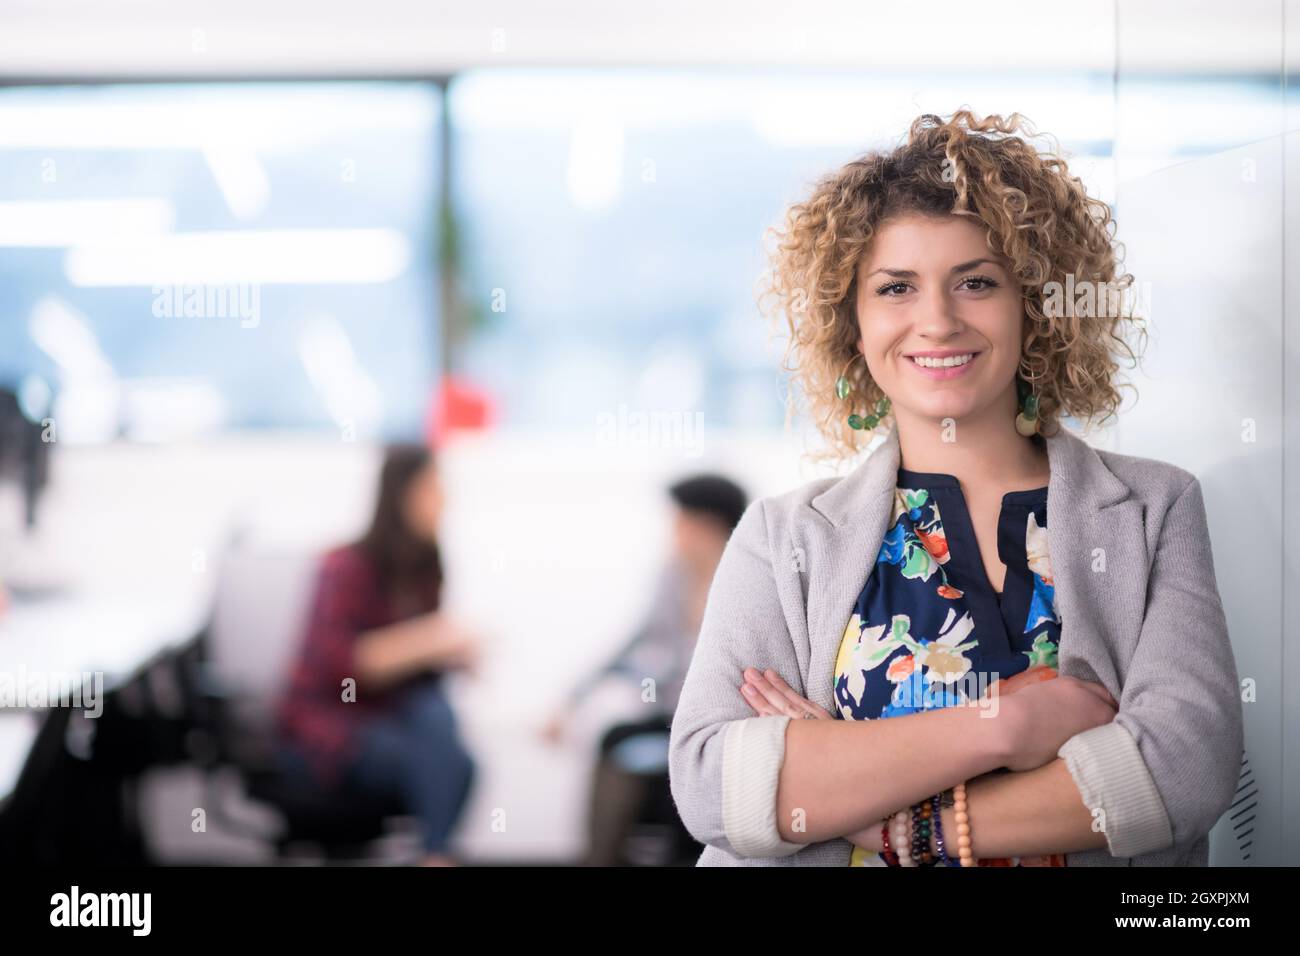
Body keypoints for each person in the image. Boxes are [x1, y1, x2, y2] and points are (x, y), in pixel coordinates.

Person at [668, 110, 1244, 867]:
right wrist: (1001, 724)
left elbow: (1179, 773)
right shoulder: (783, 538)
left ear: (1034, 306)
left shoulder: (1154, 511)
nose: (936, 321)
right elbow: (717, 787)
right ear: (854, 321)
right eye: (896, 287)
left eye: (976, 282)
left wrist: (877, 805)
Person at [274, 442, 482, 866]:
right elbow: (344, 666)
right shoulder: (346, 565)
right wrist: (431, 640)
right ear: (403, 494)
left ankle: (434, 855)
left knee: (442, 726)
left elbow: (416, 667)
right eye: (433, 488)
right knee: (442, 763)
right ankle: (437, 856)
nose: (444, 500)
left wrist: (449, 654)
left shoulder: (427, 565)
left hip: (395, 714)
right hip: (332, 722)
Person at [541, 474, 747, 866]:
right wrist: (571, 700)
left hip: (725, 727)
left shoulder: (747, 583)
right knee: (615, 739)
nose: (674, 534)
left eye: (681, 523)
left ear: (709, 528)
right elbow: (632, 642)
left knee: (683, 771)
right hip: (671, 718)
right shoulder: (673, 576)